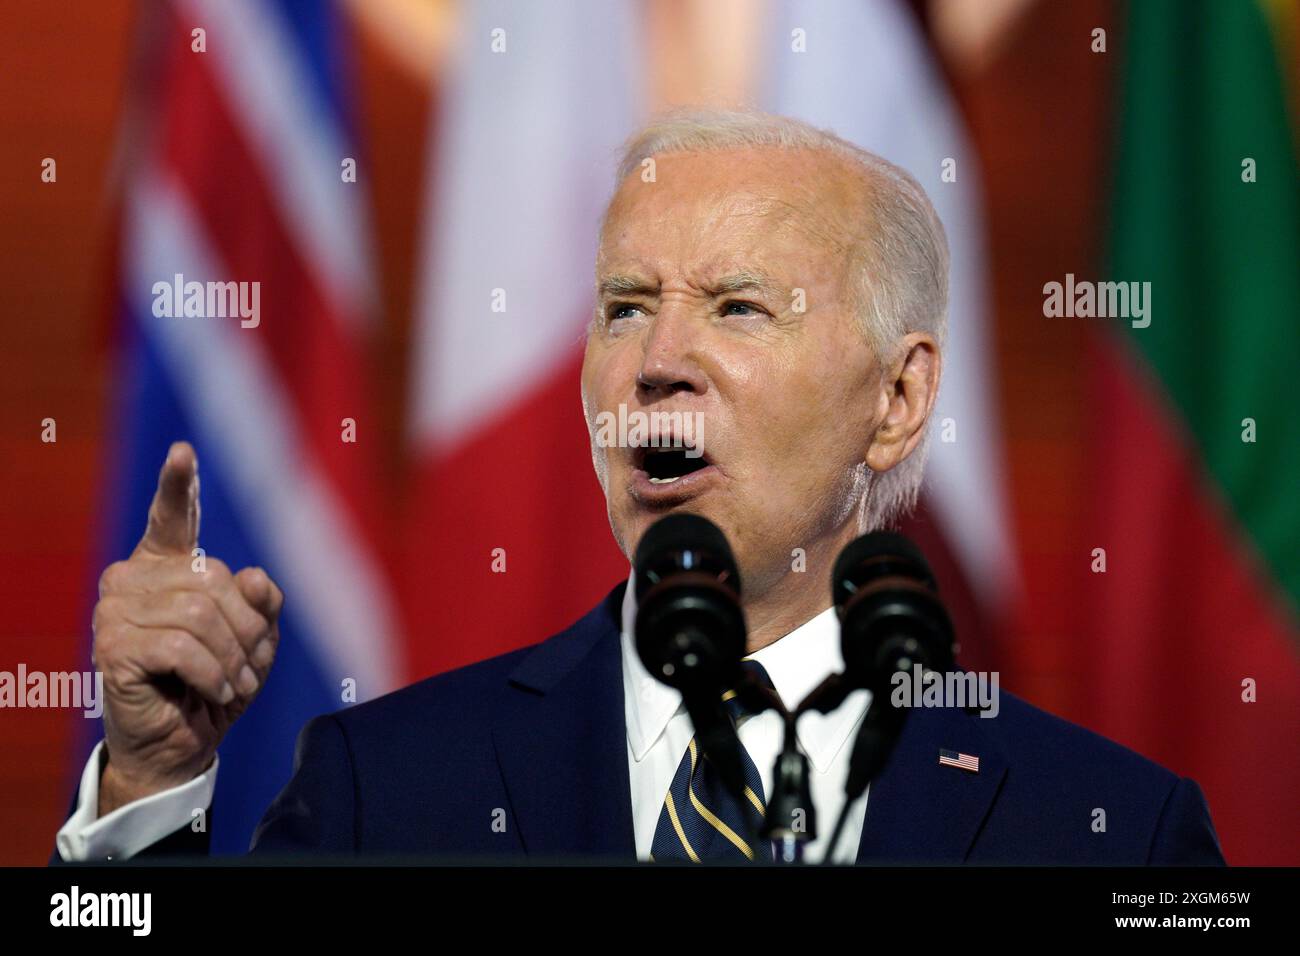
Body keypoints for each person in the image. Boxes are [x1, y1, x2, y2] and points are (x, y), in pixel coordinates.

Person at [54, 109, 1225, 865]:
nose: (654, 361)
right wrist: (151, 788)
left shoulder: (1107, 828)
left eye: (737, 305)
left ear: (899, 400)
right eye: (623, 305)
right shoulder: (390, 789)